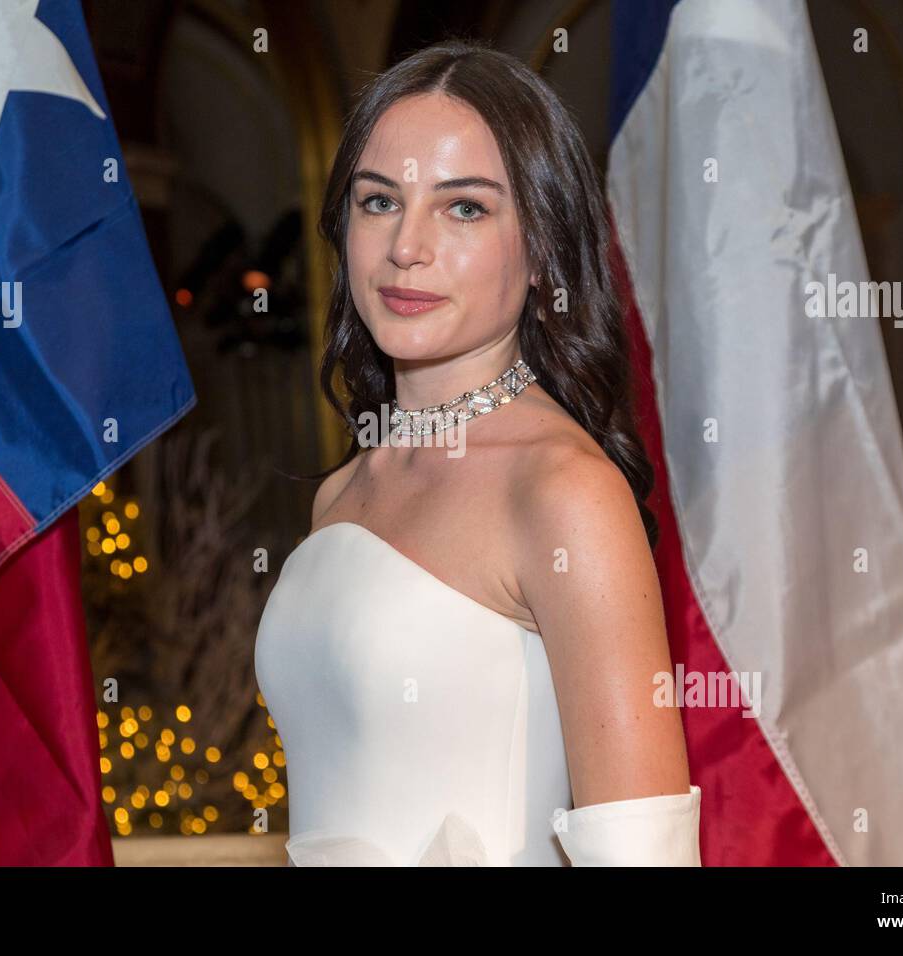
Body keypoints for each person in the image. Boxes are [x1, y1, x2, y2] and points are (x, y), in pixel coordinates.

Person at [254, 39, 701, 866]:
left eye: (464, 207)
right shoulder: (346, 489)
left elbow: (646, 854)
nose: (406, 247)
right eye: (379, 200)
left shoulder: (563, 491)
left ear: (541, 250)